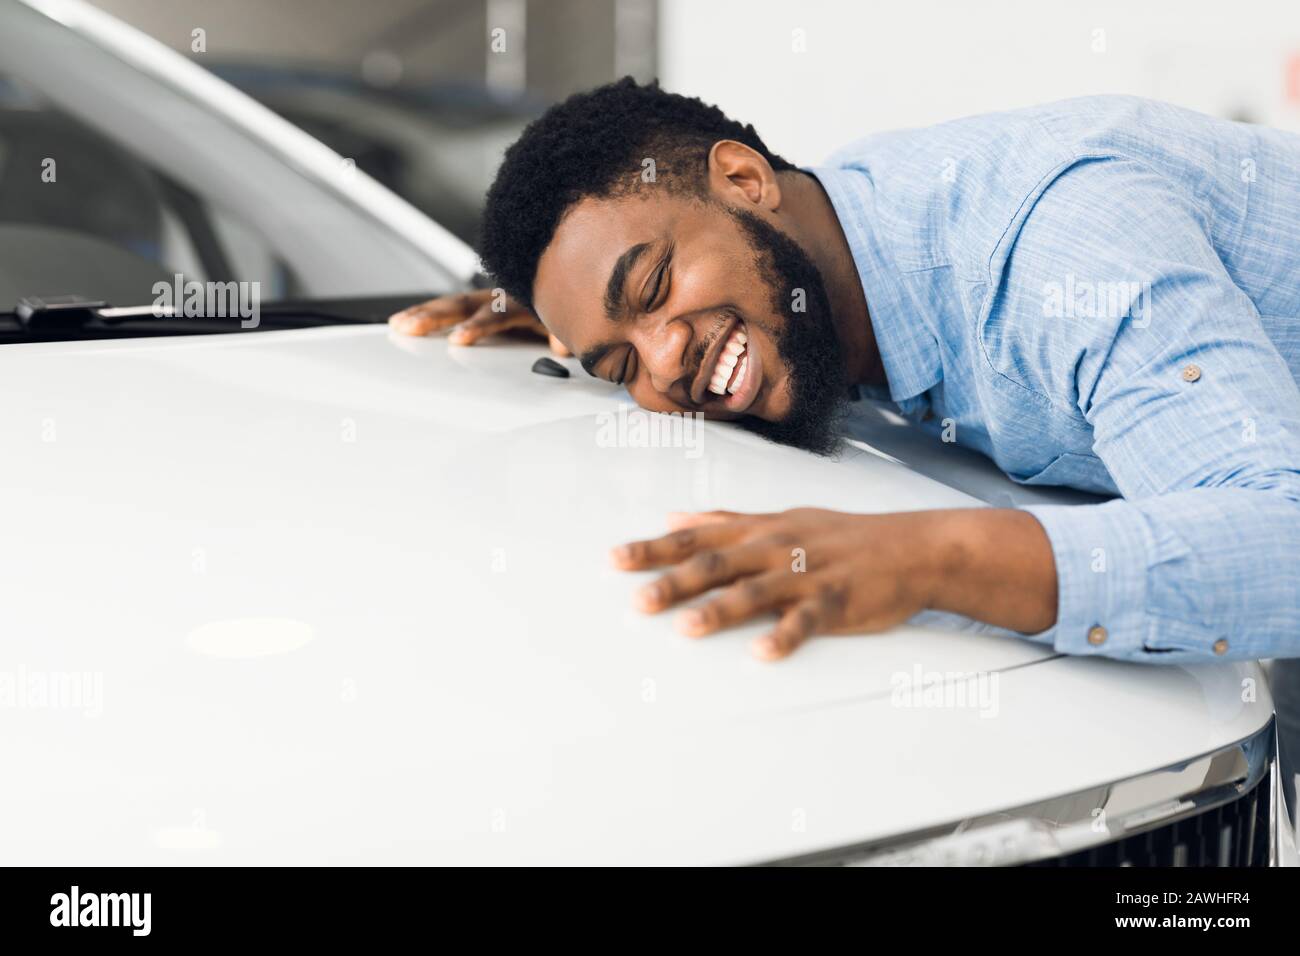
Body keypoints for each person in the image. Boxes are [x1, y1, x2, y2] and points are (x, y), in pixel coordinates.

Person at [390, 79, 1299, 676]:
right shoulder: (820, 248)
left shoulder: (1062, 247)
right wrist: (586, 321)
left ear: (743, 179)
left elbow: (1280, 540)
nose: (664, 361)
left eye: (655, 287)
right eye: (622, 361)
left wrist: (929, 556)